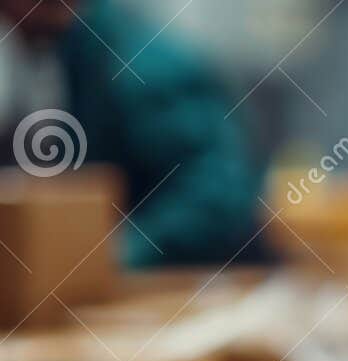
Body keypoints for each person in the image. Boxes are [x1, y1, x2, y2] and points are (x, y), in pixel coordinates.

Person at [0, 0, 260, 267]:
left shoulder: (139, 66)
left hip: (194, 281)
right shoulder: (66, 52)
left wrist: (110, 255)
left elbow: (219, 198)